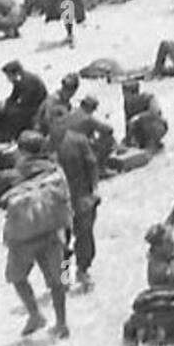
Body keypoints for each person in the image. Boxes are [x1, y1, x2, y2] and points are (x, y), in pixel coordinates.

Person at [1, 132, 70, 339]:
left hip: (23, 238)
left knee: (16, 276)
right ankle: (62, 323)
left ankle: (34, 314)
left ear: (22, 151)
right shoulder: (55, 170)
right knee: (58, 281)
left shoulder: (17, 173)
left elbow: (2, 200)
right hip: (52, 233)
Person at [56, 117, 100, 292]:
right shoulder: (45, 144)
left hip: (78, 197)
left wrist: (95, 189)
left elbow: (92, 165)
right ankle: (66, 275)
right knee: (63, 241)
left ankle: (81, 271)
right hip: (61, 201)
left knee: (82, 236)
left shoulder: (77, 141)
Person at [0, 60, 48, 144]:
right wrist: (6, 104)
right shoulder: (20, 80)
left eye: (8, 76)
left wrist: (10, 107)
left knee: (13, 114)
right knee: (5, 111)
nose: (8, 79)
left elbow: (26, 102)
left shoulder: (29, 81)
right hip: (30, 106)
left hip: (38, 107)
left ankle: (13, 137)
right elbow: (14, 96)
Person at [122, 80, 167, 152]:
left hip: (156, 125)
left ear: (135, 93)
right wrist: (128, 140)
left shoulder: (149, 98)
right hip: (140, 129)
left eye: (127, 94)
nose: (125, 97)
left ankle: (153, 143)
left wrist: (138, 117)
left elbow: (155, 112)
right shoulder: (127, 104)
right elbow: (128, 122)